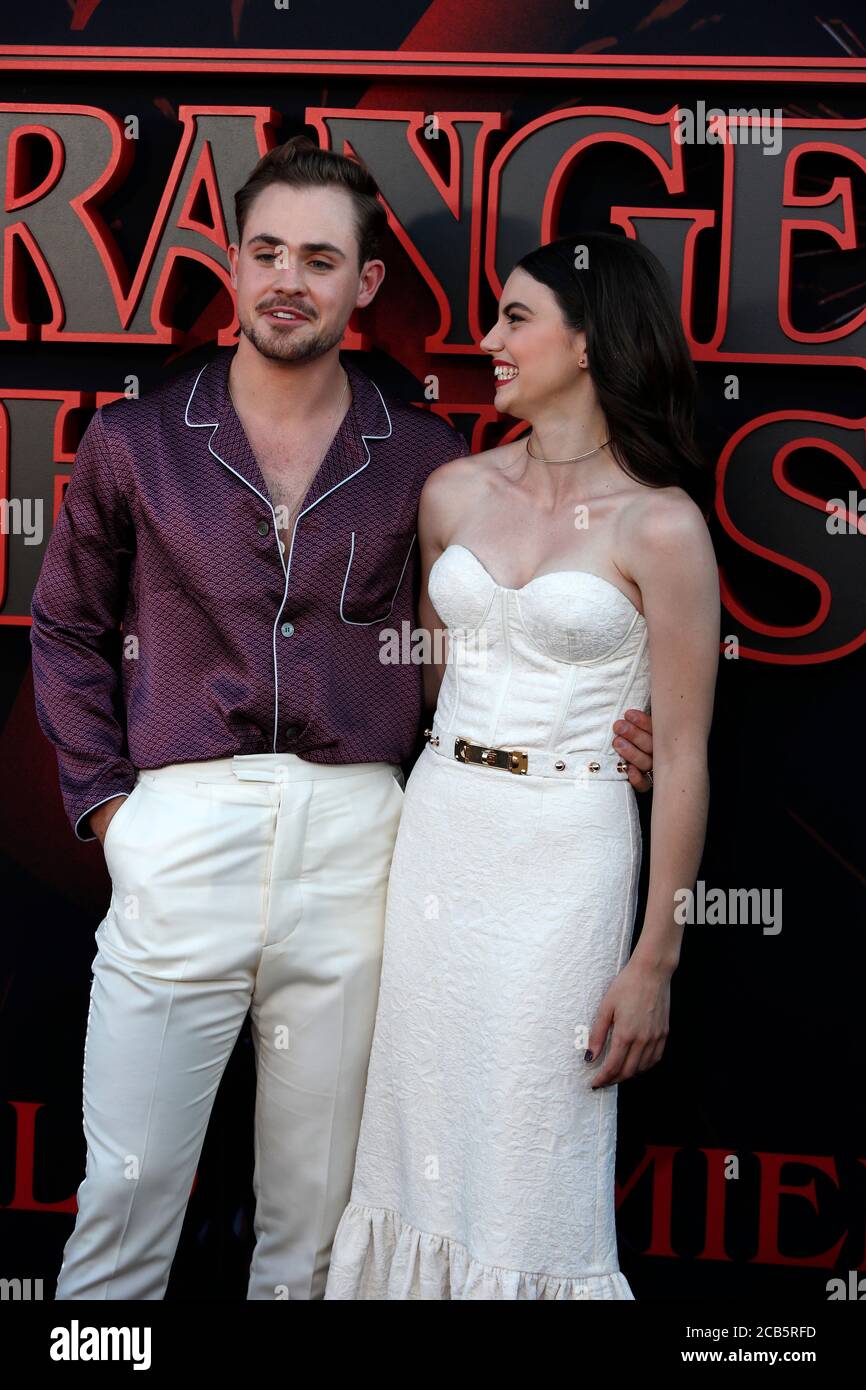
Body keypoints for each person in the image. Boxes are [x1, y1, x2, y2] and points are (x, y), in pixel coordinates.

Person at [29, 140, 654, 1300]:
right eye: (266, 251)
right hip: (178, 827)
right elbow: (63, 631)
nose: (286, 279)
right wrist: (111, 812)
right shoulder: (134, 443)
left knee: (314, 1231)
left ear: (364, 284)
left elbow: (483, 644)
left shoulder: (421, 460)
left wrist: (622, 718)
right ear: (230, 262)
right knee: (120, 1204)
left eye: (320, 258)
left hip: (365, 851)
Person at [324, 231, 719, 1300]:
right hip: (441, 836)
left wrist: (653, 962)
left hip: (566, 855)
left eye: (513, 318)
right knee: (410, 1133)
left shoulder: (664, 524)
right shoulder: (450, 492)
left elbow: (681, 756)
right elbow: (424, 687)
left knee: (530, 1149)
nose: (487, 340)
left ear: (588, 343)